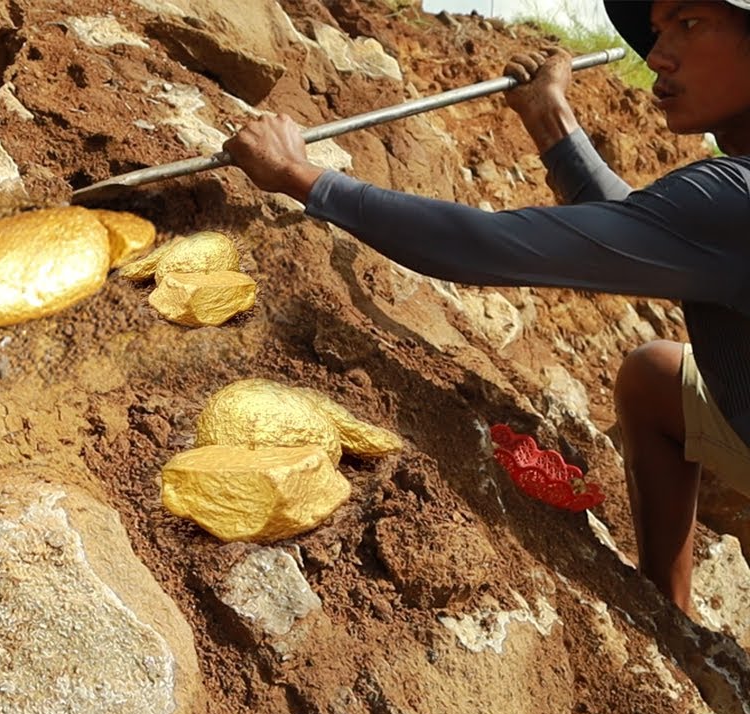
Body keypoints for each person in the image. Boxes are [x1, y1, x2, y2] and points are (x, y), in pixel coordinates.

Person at [222, 0, 750, 616]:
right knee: (656, 376)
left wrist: (303, 176)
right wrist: (550, 118)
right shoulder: (724, 202)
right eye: (658, 31)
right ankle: (669, 615)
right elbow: (638, 230)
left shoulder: (731, 199)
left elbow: (486, 247)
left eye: (690, 24)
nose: (658, 55)